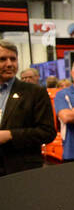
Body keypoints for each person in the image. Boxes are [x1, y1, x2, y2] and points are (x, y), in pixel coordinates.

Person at [0, 39, 55, 175]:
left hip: (21, 170)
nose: (9, 64)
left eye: (13, 59)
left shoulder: (35, 92)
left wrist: (11, 135)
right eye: (2, 59)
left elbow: (47, 132)